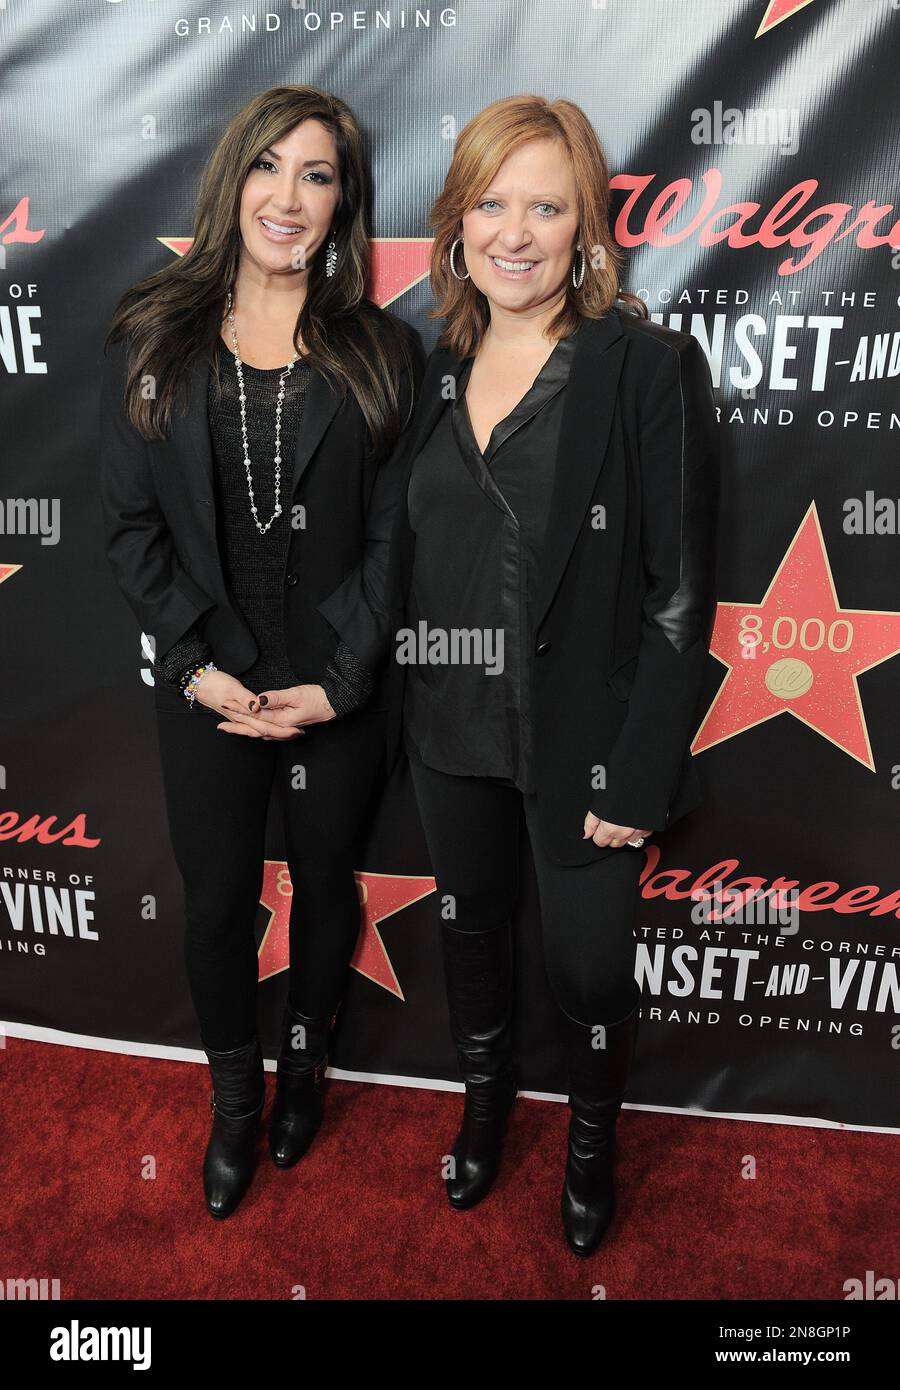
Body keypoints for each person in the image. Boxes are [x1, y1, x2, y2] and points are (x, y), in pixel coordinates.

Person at [255, 93, 720, 1257]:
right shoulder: (433, 369)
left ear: (587, 229)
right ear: (458, 223)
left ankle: (594, 1138)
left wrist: (641, 773)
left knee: (589, 964)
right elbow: (392, 561)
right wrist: (338, 677)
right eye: (492, 204)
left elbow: (678, 591)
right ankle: (483, 1103)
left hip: (591, 743)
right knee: (470, 935)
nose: (516, 232)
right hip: (448, 722)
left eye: (547, 206)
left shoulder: (645, 367)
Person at [98, 85, 424, 1220]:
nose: (290, 196)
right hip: (206, 681)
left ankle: (303, 1076)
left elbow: (397, 535)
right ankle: (233, 1107)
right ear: (233, 179)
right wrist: (199, 665)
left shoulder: (383, 351)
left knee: (329, 887)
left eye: (319, 175)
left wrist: (338, 683)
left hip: (337, 686)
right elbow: (131, 532)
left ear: (344, 204)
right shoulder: (155, 335)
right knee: (218, 899)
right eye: (270, 167)